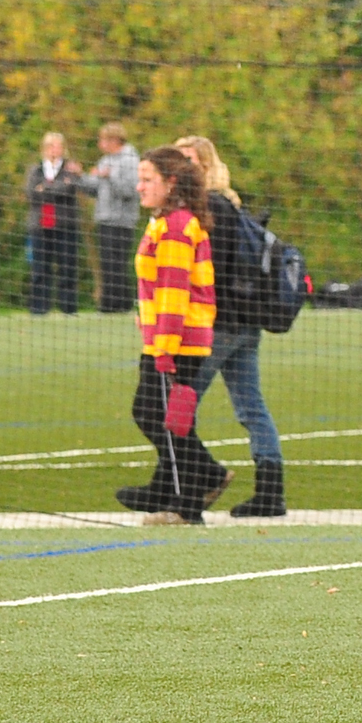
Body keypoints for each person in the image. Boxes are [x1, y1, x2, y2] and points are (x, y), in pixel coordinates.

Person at [174, 135, 286, 517]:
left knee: (176, 404)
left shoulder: (209, 209)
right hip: (243, 322)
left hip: (217, 324)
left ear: (204, 166)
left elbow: (208, 272)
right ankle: (271, 494)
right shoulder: (230, 205)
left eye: (187, 161)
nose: (179, 168)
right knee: (251, 406)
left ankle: (191, 491)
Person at [124, 147, 232, 525]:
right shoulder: (166, 222)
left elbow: (174, 293)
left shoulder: (174, 226)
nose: (139, 187)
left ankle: (185, 503)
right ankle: (199, 480)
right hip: (167, 339)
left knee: (161, 417)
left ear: (170, 184)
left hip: (177, 341)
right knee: (155, 414)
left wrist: (164, 349)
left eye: (147, 179)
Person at [80, 123, 141, 314]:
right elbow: (94, 189)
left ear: (114, 140)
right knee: (106, 263)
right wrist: (78, 177)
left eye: (103, 140)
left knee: (118, 263)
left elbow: (131, 191)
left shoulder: (131, 159)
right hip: (104, 218)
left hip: (123, 221)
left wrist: (109, 177)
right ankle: (108, 305)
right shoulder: (105, 160)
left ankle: (121, 304)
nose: (100, 144)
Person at [25, 132, 83, 315]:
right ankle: (39, 308)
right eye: (51, 146)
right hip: (40, 227)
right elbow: (31, 193)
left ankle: (68, 308)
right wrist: (57, 188)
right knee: (40, 268)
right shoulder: (35, 170)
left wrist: (46, 188)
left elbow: (70, 188)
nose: (55, 150)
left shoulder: (70, 169)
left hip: (65, 225)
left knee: (67, 266)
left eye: (58, 146)